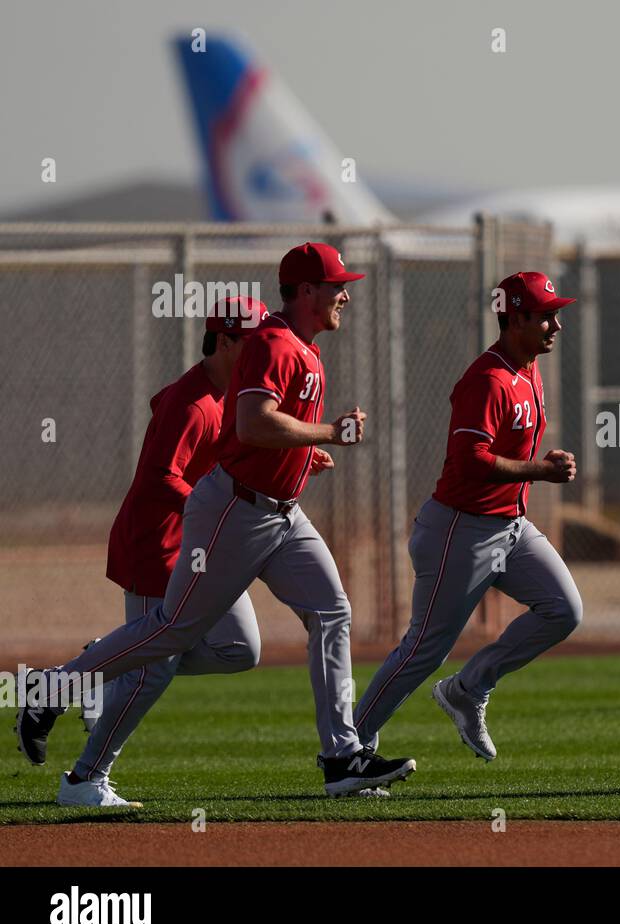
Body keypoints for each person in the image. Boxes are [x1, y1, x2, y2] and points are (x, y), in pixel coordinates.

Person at [16, 244, 416, 796]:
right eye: (335, 284)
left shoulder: (302, 349)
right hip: (235, 511)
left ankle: (342, 758)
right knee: (171, 634)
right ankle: (57, 694)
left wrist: (303, 452)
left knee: (327, 612)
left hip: (280, 514)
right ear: (305, 291)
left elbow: (255, 431)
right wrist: (328, 433)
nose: (345, 293)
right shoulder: (273, 345)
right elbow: (252, 426)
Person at [352, 271, 582, 761]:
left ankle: (467, 688)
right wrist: (539, 470)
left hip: (511, 527)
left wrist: (538, 467)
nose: (556, 325)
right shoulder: (487, 378)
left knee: (563, 609)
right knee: (423, 651)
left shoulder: (528, 370)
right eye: (546, 316)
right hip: (461, 529)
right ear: (515, 318)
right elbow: (469, 460)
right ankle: (351, 747)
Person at [57, 298, 267, 808]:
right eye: (253, 344)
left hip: (199, 544)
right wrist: (208, 505)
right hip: (156, 543)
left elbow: (168, 411)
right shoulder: (195, 401)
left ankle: (102, 665)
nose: (264, 355)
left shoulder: (228, 394)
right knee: (154, 669)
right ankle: (84, 781)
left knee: (240, 648)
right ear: (224, 343)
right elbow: (159, 477)